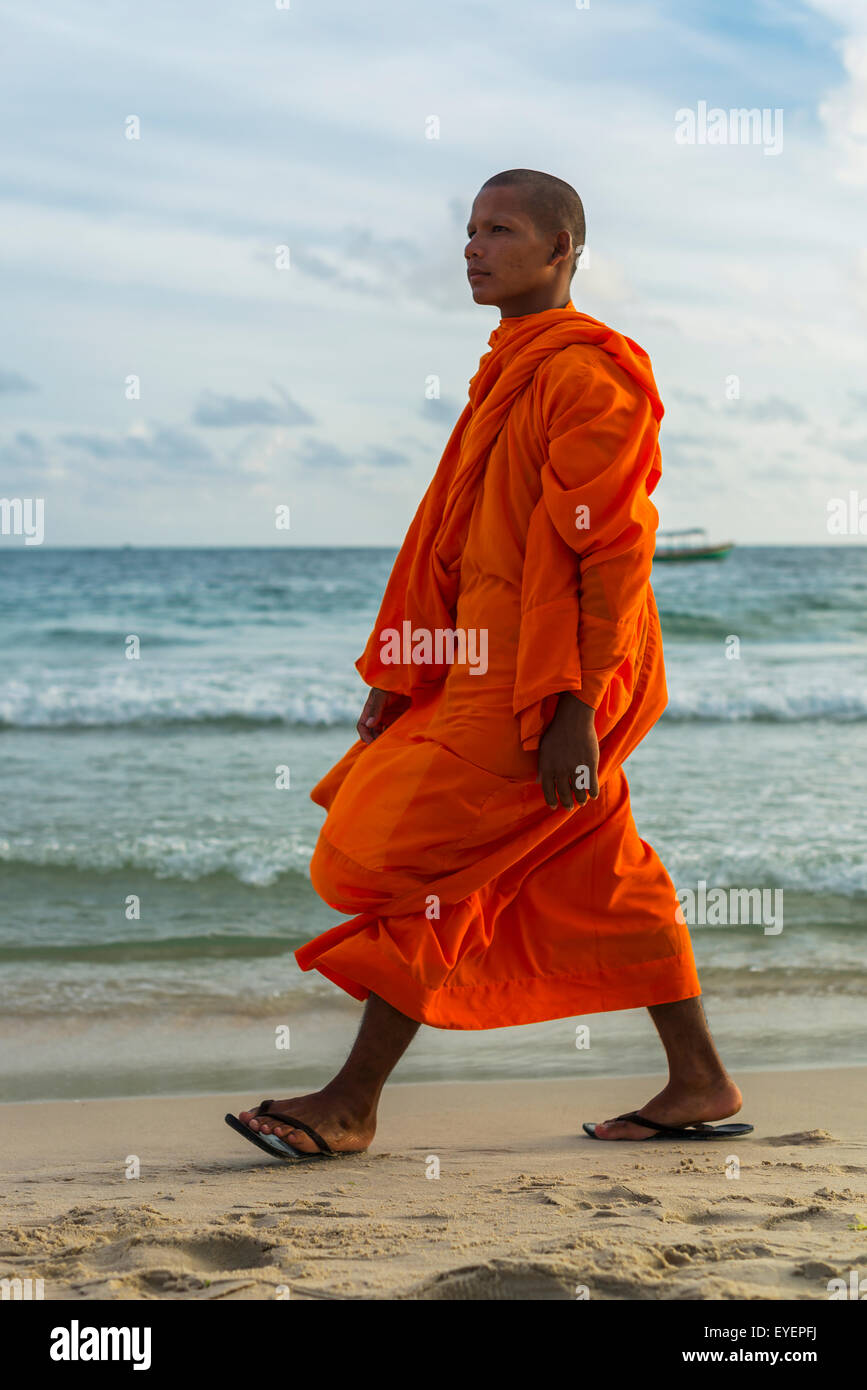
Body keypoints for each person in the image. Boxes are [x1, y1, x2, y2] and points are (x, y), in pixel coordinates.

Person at [228, 168, 749, 1159]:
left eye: (500, 230)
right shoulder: (511, 365)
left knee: (418, 857)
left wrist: (574, 708)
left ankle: (351, 1101)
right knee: (602, 869)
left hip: (542, 687)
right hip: (480, 666)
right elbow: (462, 542)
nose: (473, 247)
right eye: (468, 230)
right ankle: (699, 1079)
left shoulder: (584, 375)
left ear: (561, 252)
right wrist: (405, 661)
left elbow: (613, 554)